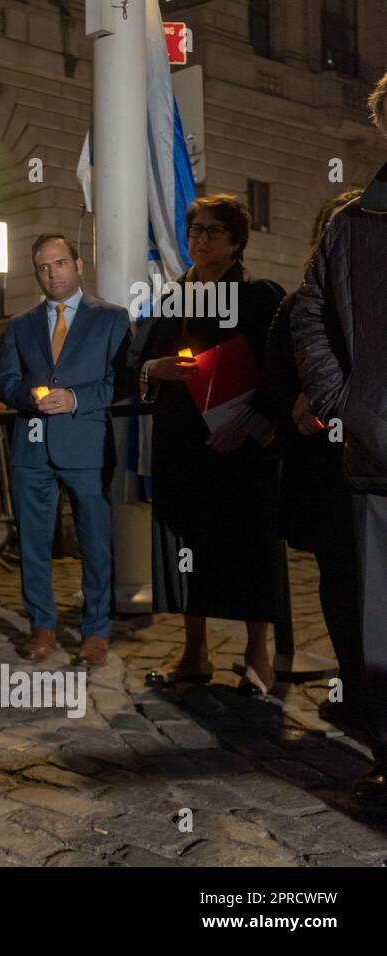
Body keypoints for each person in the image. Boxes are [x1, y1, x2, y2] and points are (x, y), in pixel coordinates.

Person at [131, 195, 286, 697]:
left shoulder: (259, 295)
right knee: (190, 548)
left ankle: (256, 654)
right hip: (185, 441)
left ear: (236, 240)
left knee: (249, 544)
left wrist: (244, 423)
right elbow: (144, 360)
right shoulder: (175, 296)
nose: (200, 239)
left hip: (240, 444)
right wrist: (155, 370)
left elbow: (276, 368)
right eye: (195, 230)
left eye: (212, 231)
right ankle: (194, 652)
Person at [291, 70, 387, 806]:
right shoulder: (355, 223)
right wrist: (341, 402)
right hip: (377, 453)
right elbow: (310, 314)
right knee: (380, 624)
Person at [0, 234, 131, 666]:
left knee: (94, 542)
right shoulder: (21, 324)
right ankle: (42, 625)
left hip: (86, 445)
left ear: (78, 265)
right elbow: (4, 381)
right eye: (43, 266)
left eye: (59, 263)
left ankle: (95, 632)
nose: (52, 273)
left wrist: (74, 398)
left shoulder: (111, 319)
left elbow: (120, 383)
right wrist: (25, 397)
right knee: (33, 543)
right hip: (31, 448)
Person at [268, 190, 361, 728]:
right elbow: (275, 373)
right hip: (324, 469)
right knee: (340, 578)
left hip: (369, 453)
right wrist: (300, 399)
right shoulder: (300, 302)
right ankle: (351, 682)